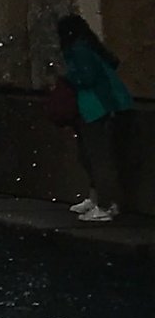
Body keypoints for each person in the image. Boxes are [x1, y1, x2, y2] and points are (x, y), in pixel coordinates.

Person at [56, 14, 135, 223]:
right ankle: (99, 199)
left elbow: (86, 77)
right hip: (102, 108)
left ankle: (106, 204)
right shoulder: (89, 46)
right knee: (91, 156)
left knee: (98, 157)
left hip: (97, 108)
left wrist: (65, 76)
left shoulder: (78, 50)